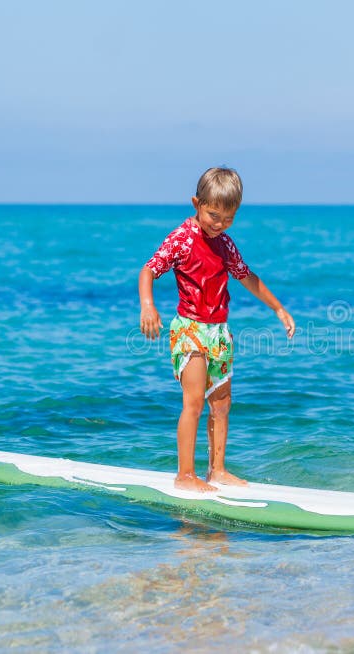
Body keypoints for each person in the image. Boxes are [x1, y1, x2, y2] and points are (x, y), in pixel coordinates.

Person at [139, 167, 295, 492]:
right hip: (190, 330)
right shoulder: (182, 239)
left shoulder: (224, 244)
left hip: (219, 333)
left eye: (228, 218)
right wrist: (148, 306)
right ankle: (185, 475)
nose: (219, 224)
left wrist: (278, 308)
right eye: (213, 215)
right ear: (197, 203)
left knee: (222, 404)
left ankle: (217, 470)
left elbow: (246, 276)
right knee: (194, 402)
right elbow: (149, 270)